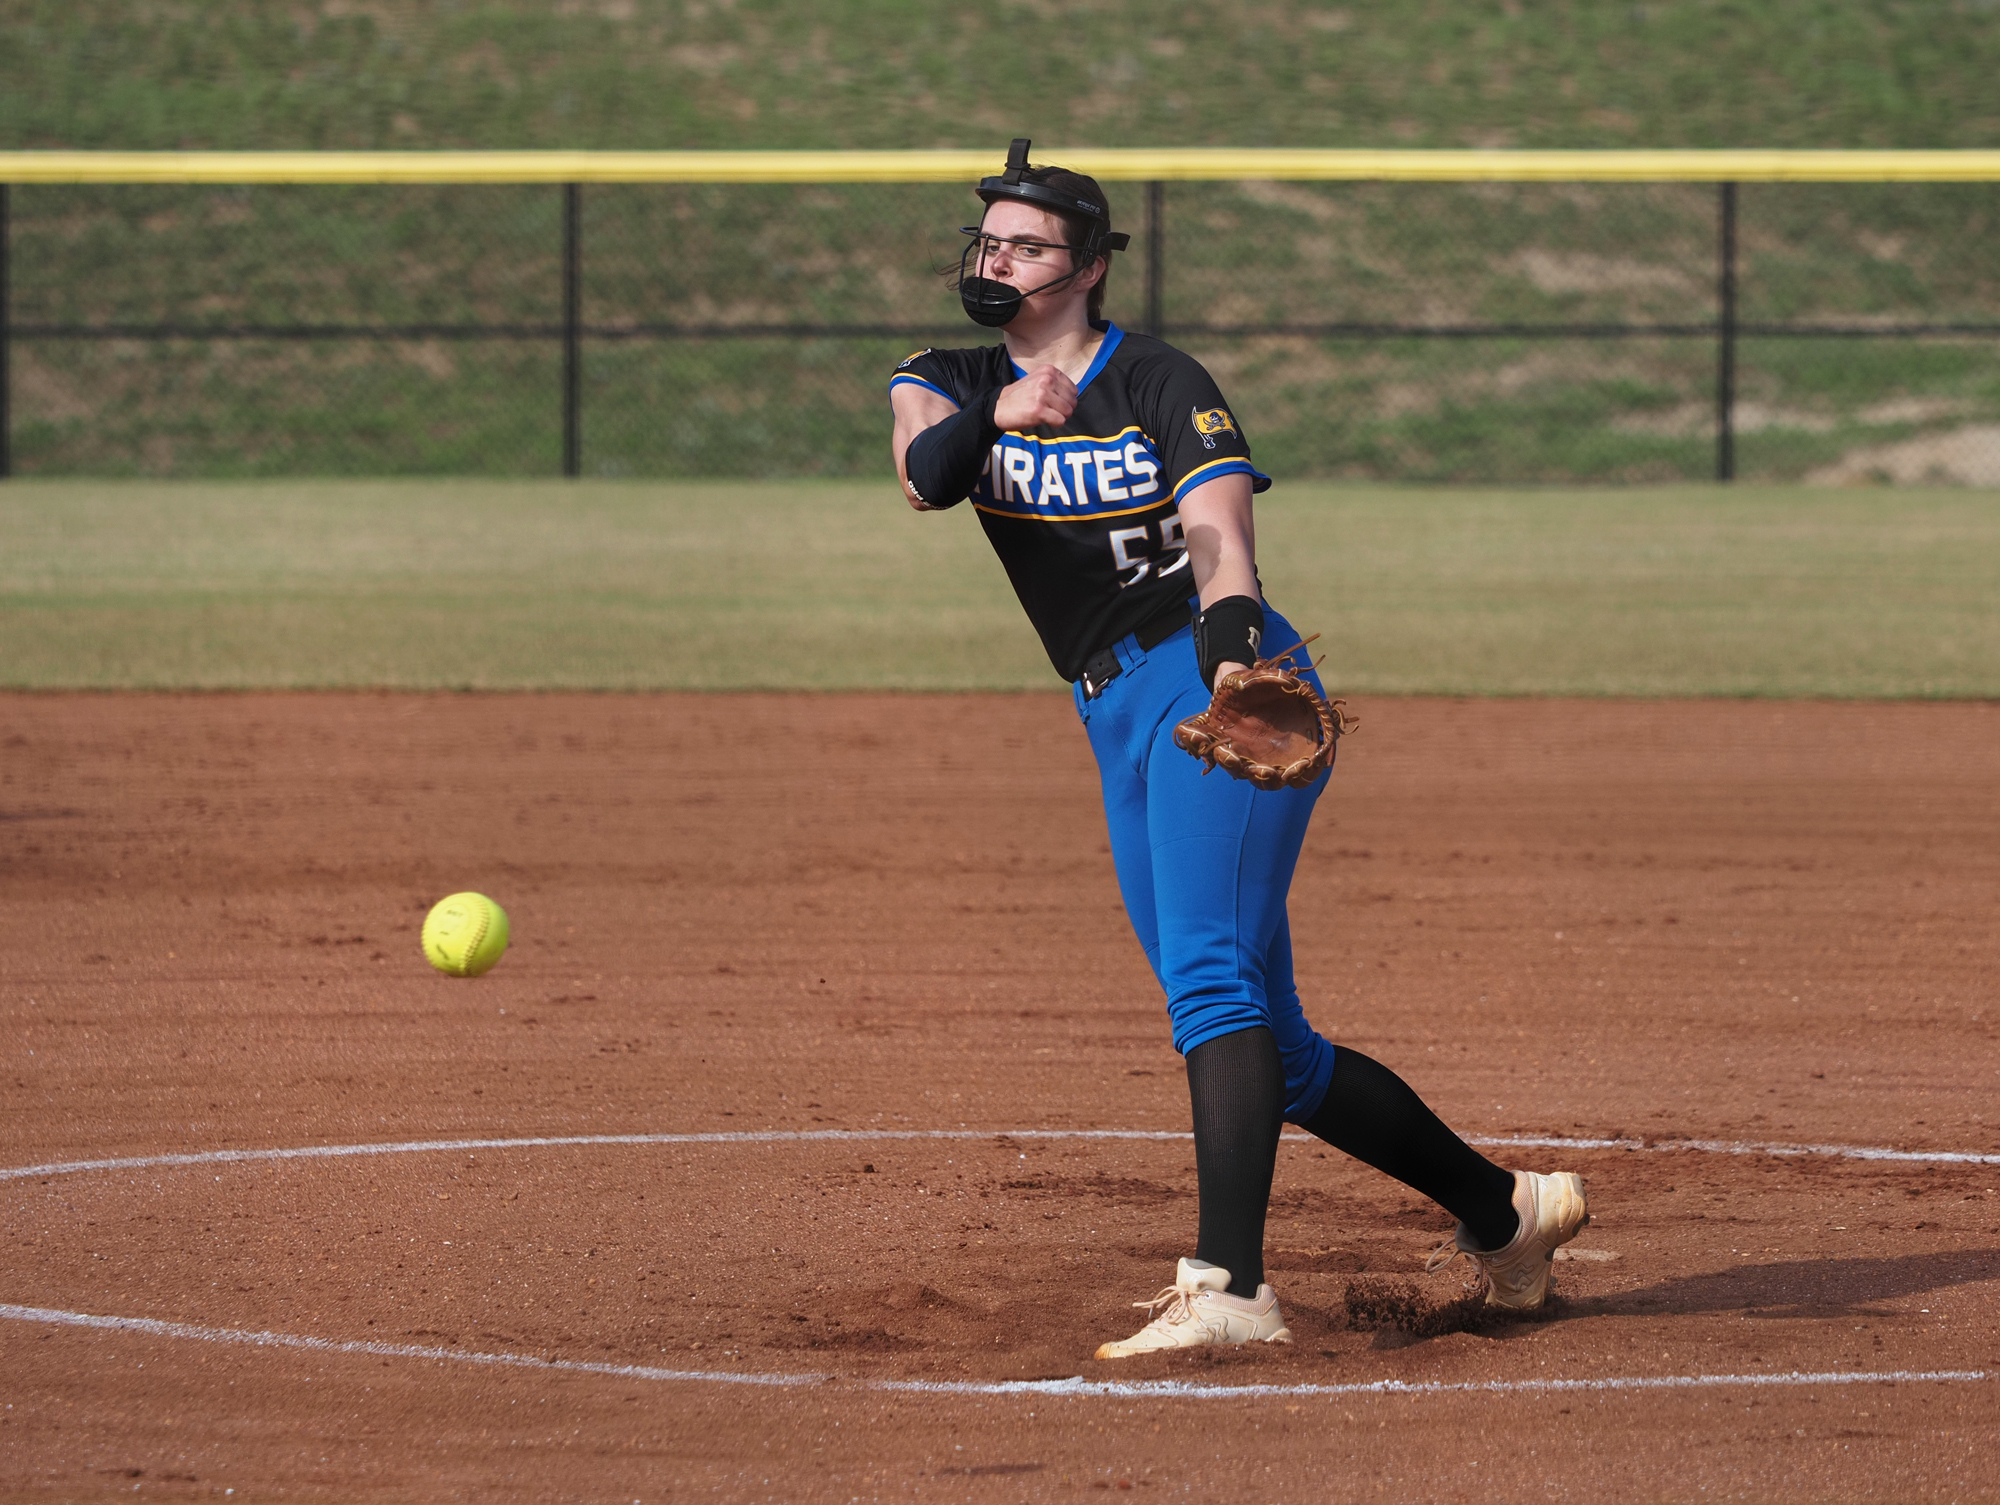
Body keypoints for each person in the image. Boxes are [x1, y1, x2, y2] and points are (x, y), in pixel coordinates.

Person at [888, 141, 1587, 1360]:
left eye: (1026, 245)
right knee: (1280, 1049)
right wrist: (995, 413)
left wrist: (1227, 662)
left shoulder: (1159, 380)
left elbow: (1219, 541)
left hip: (1208, 677)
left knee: (1210, 984)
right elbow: (920, 477)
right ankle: (1506, 1211)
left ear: (1087, 269)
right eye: (987, 240)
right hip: (1108, 708)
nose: (995, 260)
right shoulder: (942, 377)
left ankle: (1230, 1288)